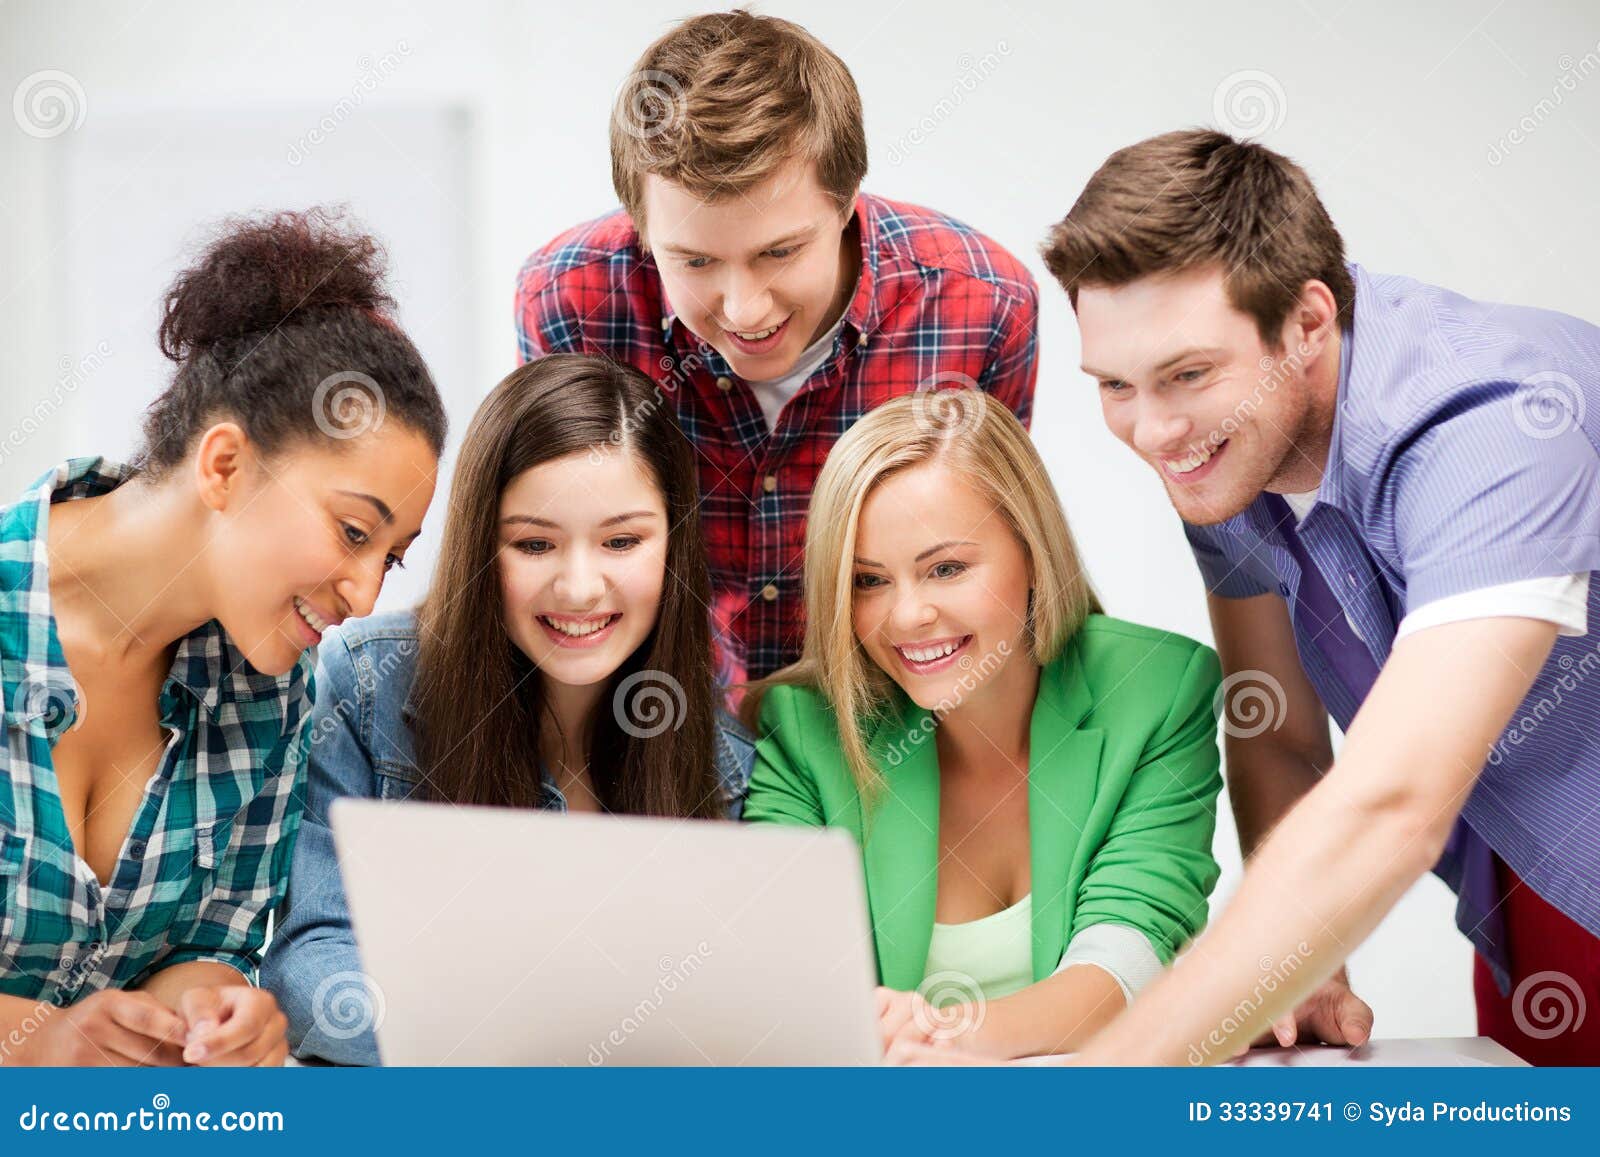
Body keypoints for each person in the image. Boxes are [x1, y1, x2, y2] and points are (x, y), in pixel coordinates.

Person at [1038, 128, 1600, 1065]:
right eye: (1115, 386)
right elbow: (1280, 729)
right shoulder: (1224, 453)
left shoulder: (1494, 425)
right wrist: (1300, 961)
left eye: (1186, 374)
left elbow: (1392, 805)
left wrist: (1106, 1083)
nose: (1155, 431)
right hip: (1539, 883)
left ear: (1305, 322)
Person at [0, 208, 446, 1066]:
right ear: (225, 465)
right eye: (356, 532)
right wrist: (38, 1042)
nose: (364, 592)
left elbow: (202, 948)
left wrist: (218, 1010)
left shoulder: (270, 688)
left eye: (391, 558)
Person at [515, 10, 1038, 691]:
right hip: (652, 724)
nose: (745, 309)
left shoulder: (984, 306)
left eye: (781, 252)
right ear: (642, 229)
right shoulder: (568, 302)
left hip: (887, 728)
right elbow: (564, 561)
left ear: (848, 201)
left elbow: (990, 575)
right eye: (696, 261)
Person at [261, 354, 755, 1065]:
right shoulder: (373, 685)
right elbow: (309, 965)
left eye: (622, 540)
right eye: (533, 543)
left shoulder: (724, 766)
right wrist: (502, 1036)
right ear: (479, 549)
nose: (580, 587)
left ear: (674, 545)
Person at [742, 390, 1222, 1059]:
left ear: (1031, 549)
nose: (908, 616)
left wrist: (941, 1038)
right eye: (869, 581)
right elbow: (791, 977)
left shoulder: (1156, 692)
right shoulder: (802, 730)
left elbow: (1128, 959)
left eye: (946, 567)